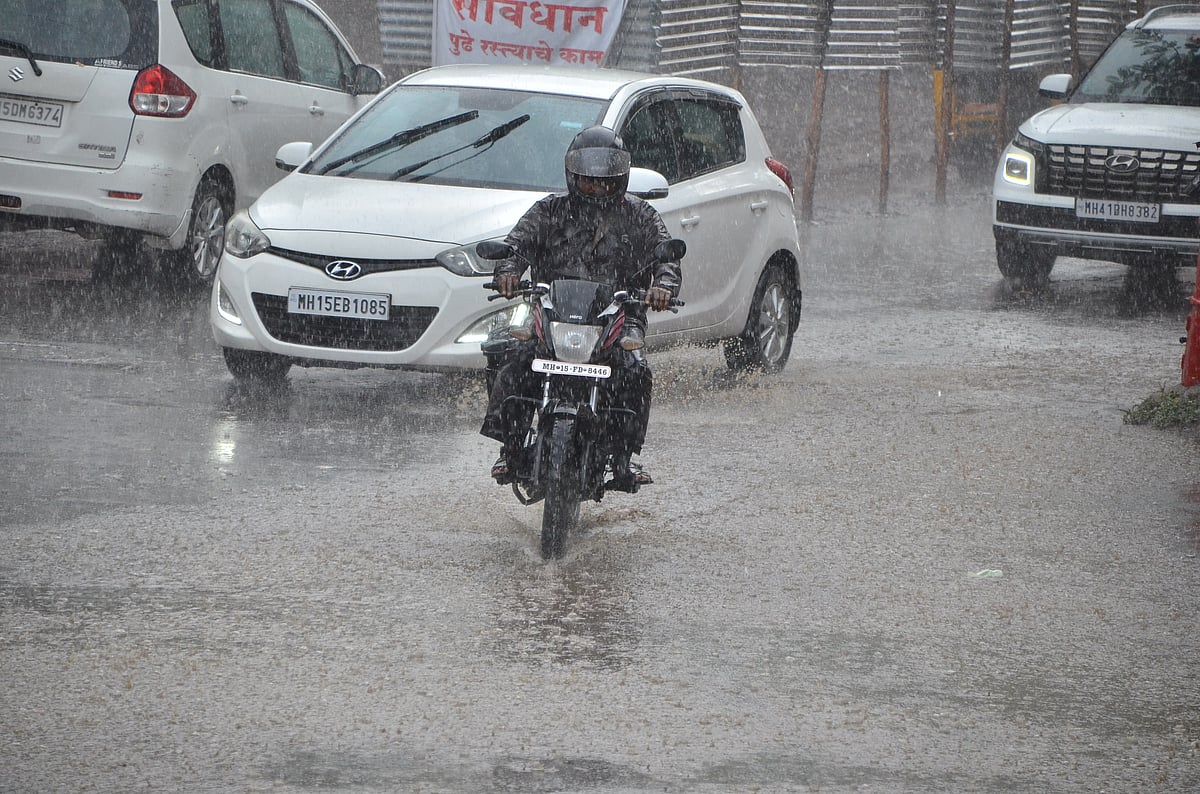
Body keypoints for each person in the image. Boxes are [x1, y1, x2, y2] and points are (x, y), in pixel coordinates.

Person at [480, 125, 681, 489]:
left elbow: (665, 257)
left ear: (621, 176)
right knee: (511, 354)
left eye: (605, 181)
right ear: (573, 176)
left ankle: (623, 460)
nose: (598, 187)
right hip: (552, 309)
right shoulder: (548, 210)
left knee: (635, 370)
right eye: (589, 181)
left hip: (619, 312)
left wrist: (662, 286)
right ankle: (510, 449)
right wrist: (507, 272)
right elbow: (516, 246)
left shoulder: (641, 216)